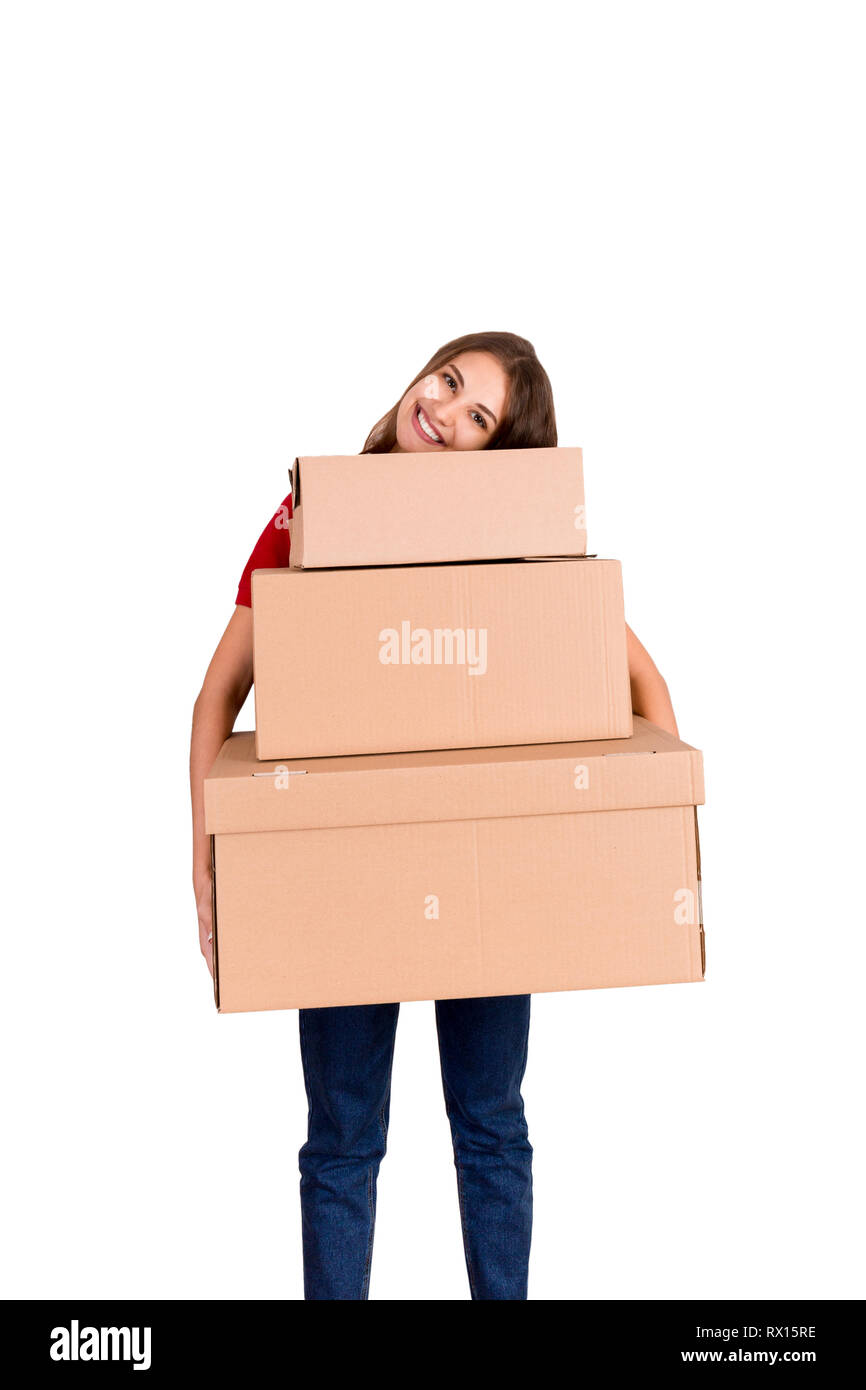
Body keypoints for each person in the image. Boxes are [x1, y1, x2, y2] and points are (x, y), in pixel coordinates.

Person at [189, 330, 679, 1300]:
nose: (444, 413)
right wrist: (205, 861)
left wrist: (623, 846)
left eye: (477, 418)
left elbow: (644, 688)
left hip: (477, 862)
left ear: (496, 460)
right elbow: (216, 698)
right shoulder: (309, 516)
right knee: (341, 1138)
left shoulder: (508, 542)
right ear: (422, 371)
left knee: (490, 1123)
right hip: (339, 856)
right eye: (449, 381)